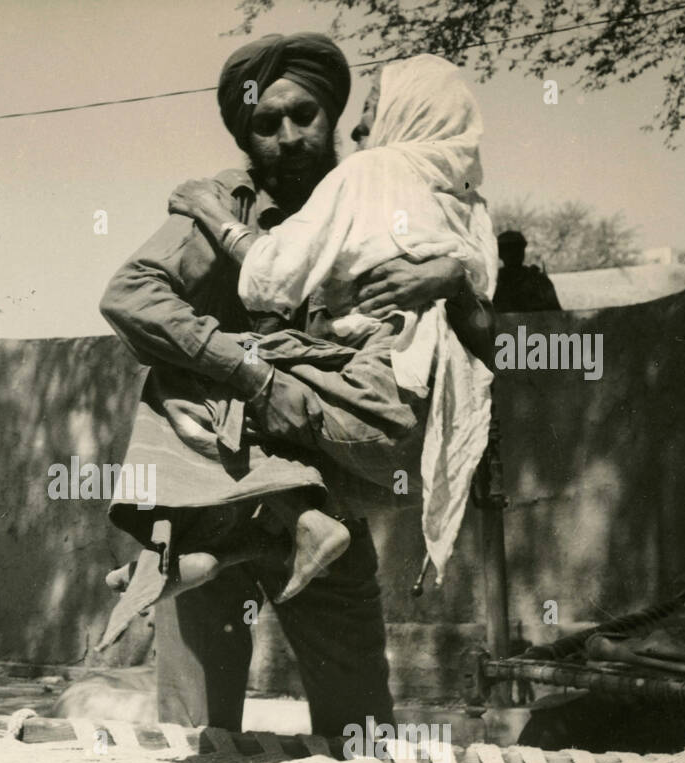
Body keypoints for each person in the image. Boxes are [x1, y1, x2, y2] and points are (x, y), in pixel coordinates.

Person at [98, 32, 496, 763]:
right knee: (203, 731)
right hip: (224, 503)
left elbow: (478, 337)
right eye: (263, 121)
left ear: (332, 113)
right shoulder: (221, 211)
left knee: (358, 717)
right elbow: (132, 297)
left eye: (302, 114)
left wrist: (456, 274)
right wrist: (248, 373)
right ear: (245, 130)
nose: (284, 134)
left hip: (331, 510)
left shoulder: (382, 188)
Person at [163, 54, 498, 606]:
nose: (362, 127)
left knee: (190, 371)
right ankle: (228, 555)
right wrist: (454, 276)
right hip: (429, 443)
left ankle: (224, 540)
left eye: (373, 108)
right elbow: (486, 336)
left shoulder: (372, 170)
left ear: (406, 112)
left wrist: (213, 215)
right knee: (294, 468)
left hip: (373, 398)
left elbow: (268, 279)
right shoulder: (468, 201)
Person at [493, 230, 561, 311]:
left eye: (517, 248)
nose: (513, 253)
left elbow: (557, 314)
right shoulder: (492, 283)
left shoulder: (539, 280)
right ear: (500, 253)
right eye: (508, 249)